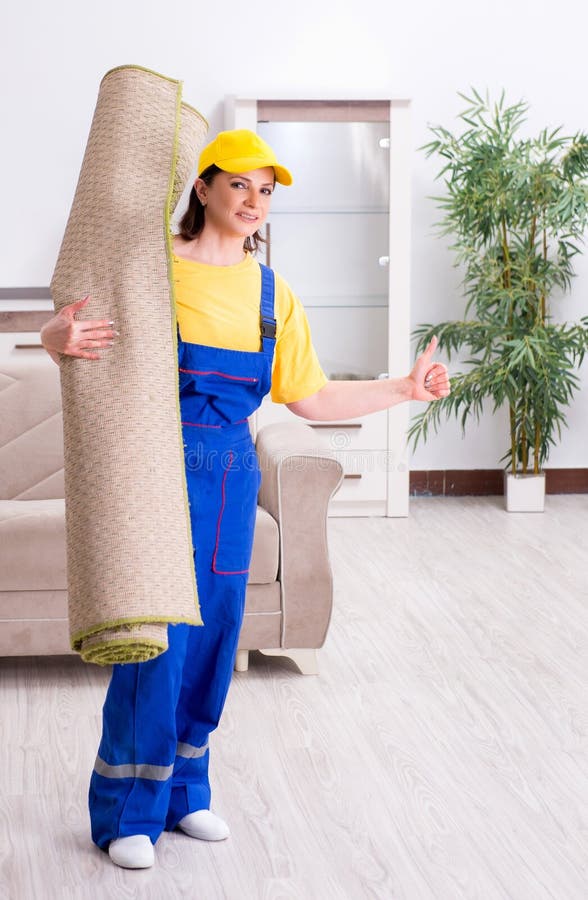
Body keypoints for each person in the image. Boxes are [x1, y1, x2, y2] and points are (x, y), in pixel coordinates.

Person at [40, 129, 450, 869]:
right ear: (203, 188)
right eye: (239, 185)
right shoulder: (150, 269)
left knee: (218, 636)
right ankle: (125, 811)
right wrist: (55, 334)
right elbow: (69, 335)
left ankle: (185, 794)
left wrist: (402, 388)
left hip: (231, 474)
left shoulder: (273, 293)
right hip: (154, 473)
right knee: (157, 638)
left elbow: (314, 398)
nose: (254, 201)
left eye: (266, 190)